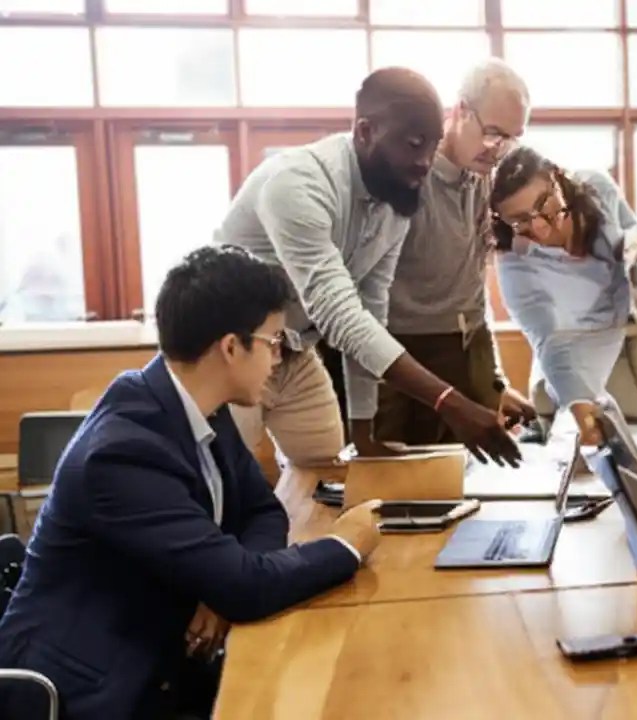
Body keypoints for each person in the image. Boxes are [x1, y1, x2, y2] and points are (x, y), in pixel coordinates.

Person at [0, 246, 382, 720]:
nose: (277, 358)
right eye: (272, 341)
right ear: (230, 347)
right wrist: (347, 544)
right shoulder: (122, 453)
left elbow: (261, 510)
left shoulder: (201, 407)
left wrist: (219, 584)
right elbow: (247, 586)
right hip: (92, 692)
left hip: (166, 659)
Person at [213, 67, 521, 470]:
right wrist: (449, 402)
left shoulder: (394, 201)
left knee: (331, 467)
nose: (425, 163)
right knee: (222, 479)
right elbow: (338, 314)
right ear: (364, 132)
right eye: (413, 146)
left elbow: (371, 311)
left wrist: (364, 433)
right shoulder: (299, 184)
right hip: (231, 347)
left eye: (430, 147)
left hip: (291, 347)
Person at [376, 59, 537, 449]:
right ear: (459, 111)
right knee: (396, 485)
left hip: (463, 351)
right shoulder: (403, 175)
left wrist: (493, 382)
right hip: (395, 358)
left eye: (512, 139)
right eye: (493, 133)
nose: (498, 150)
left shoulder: (485, 180)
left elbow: (473, 290)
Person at [490, 146, 637, 445]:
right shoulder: (515, 263)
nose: (540, 225)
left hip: (627, 333)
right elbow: (548, 339)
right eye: (520, 220)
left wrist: (634, 246)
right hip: (570, 354)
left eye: (544, 203)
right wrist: (582, 414)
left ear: (557, 177)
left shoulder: (596, 187)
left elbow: (631, 227)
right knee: (589, 443)